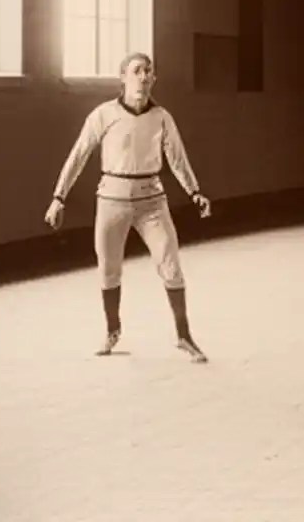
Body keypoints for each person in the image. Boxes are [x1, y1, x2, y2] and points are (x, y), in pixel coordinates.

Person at [45, 52, 212, 363]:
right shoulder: (103, 115)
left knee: (171, 265)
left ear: (154, 79)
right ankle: (112, 330)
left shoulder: (162, 117)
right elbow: (78, 155)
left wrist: (195, 192)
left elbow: (177, 158)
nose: (144, 77)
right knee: (109, 269)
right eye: (137, 71)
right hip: (112, 200)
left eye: (149, 72)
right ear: (122, 77)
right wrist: (59, 197)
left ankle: (184, 335)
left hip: (152, 201)